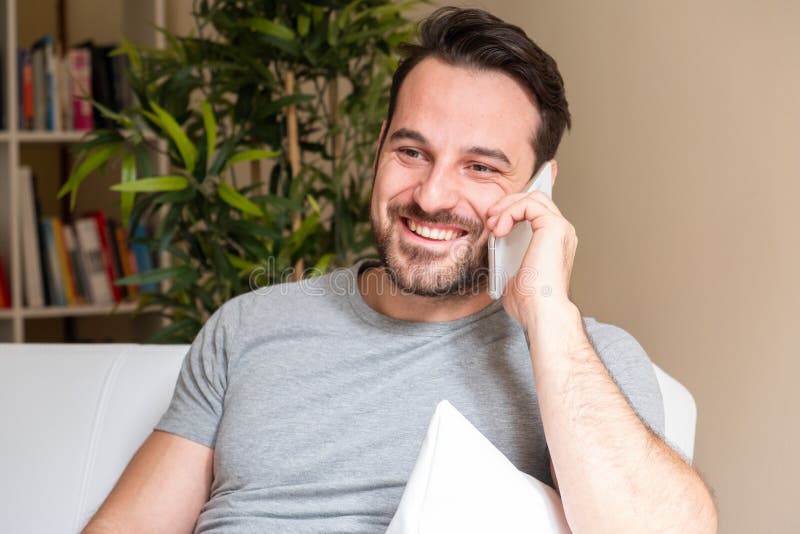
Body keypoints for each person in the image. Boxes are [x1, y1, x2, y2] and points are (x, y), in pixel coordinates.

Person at [84, 7, 717, 533]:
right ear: (381, 142)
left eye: (482, 167)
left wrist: (547, 312)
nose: (433, 195)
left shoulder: (588, 363)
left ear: (540, 190)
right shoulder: (247, 328)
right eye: (412, 151)